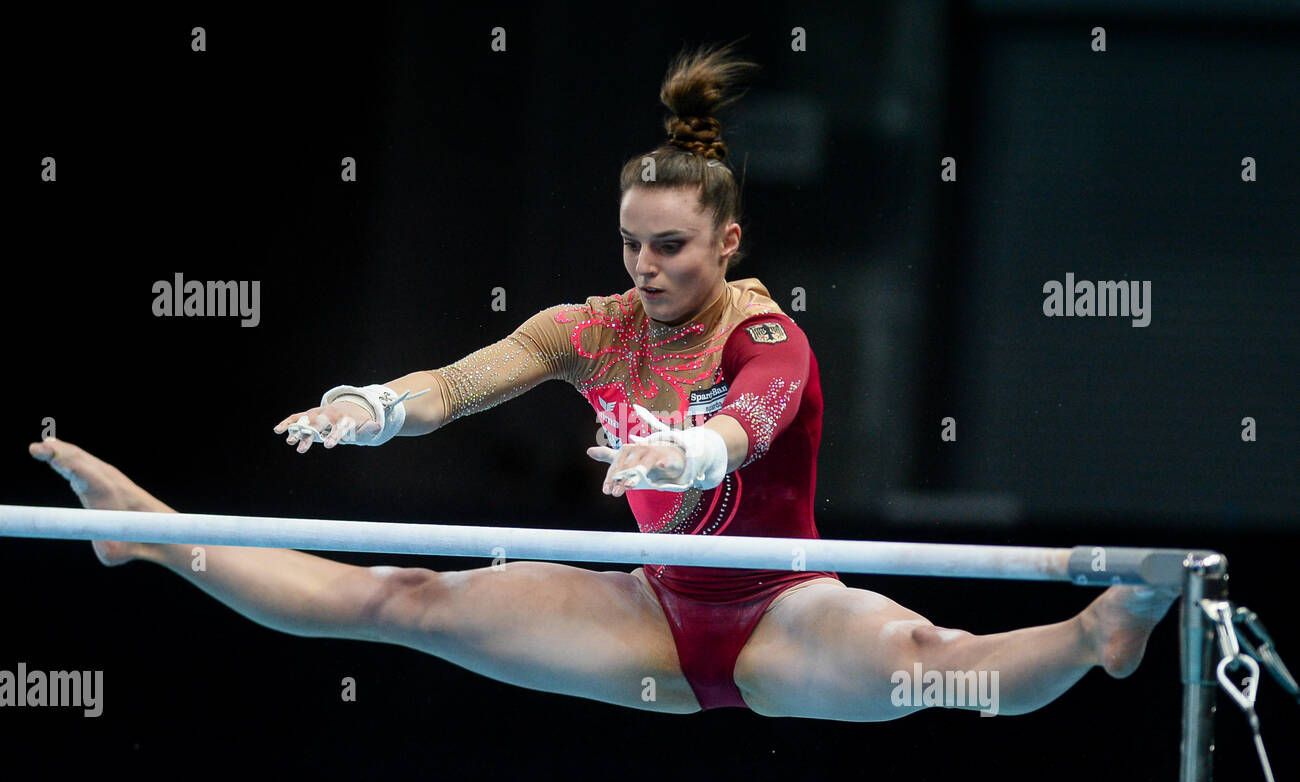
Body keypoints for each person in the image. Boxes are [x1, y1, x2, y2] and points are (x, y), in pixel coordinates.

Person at [28, 42, 1178, 720]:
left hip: (782, 615)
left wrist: (687, 449)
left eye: (670, 246)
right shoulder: (591, 330)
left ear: (726, 243)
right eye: (631, 241)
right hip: (642, 614)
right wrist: (374, 408)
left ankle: (1094, 634)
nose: (645, 265)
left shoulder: (769, 338)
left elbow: (749, 426)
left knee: (943, 674)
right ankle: (153, 532)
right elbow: (463, 381)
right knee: (391, 599)